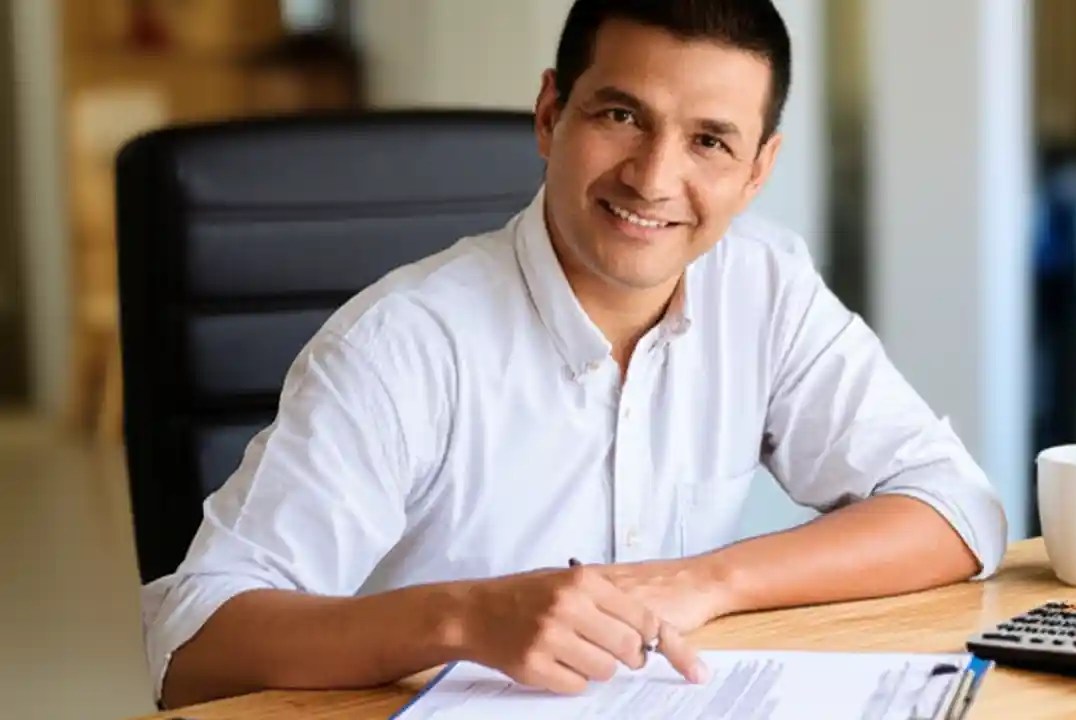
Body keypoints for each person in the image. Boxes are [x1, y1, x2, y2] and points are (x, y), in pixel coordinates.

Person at [144, 0, 1008, 709]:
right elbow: (194, 646)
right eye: (622, 115)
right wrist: (466, 617)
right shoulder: (402, 345)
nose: (654, 178)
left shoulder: (765, 286)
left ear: (757, 170)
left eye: (710, 140)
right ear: (552, 116)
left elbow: (955, 507)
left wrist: (705, 582)